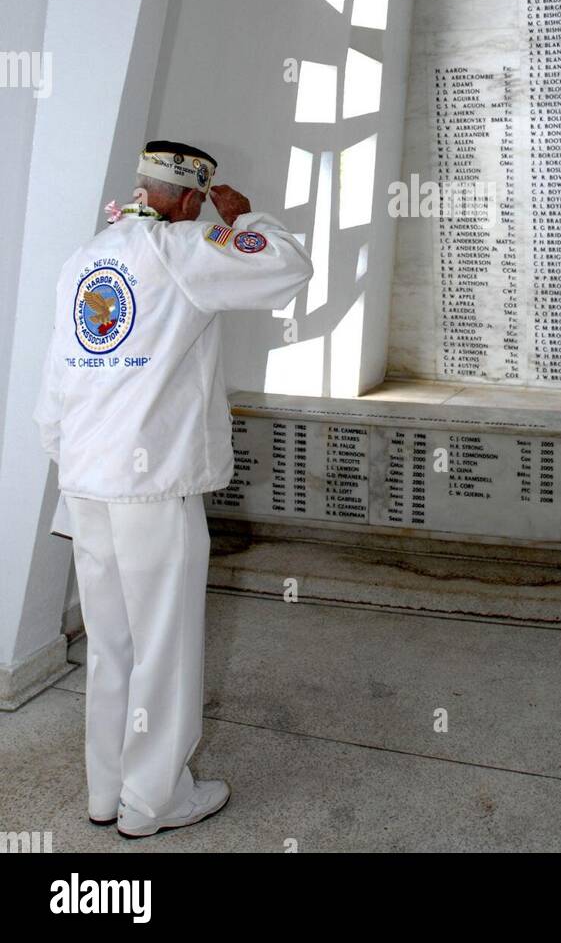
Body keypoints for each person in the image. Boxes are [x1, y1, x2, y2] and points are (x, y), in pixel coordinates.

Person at [33, 140, 313, 838]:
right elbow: (286, 267)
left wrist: (73, 465)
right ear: (190, 199)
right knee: (165, 647)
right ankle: (154, 803)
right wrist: (248, 220)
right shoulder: (184, 248)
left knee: (111, 645)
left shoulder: (85, 259)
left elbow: (54, 387)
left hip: (87, 481)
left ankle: (106, 794)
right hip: (151, 487)